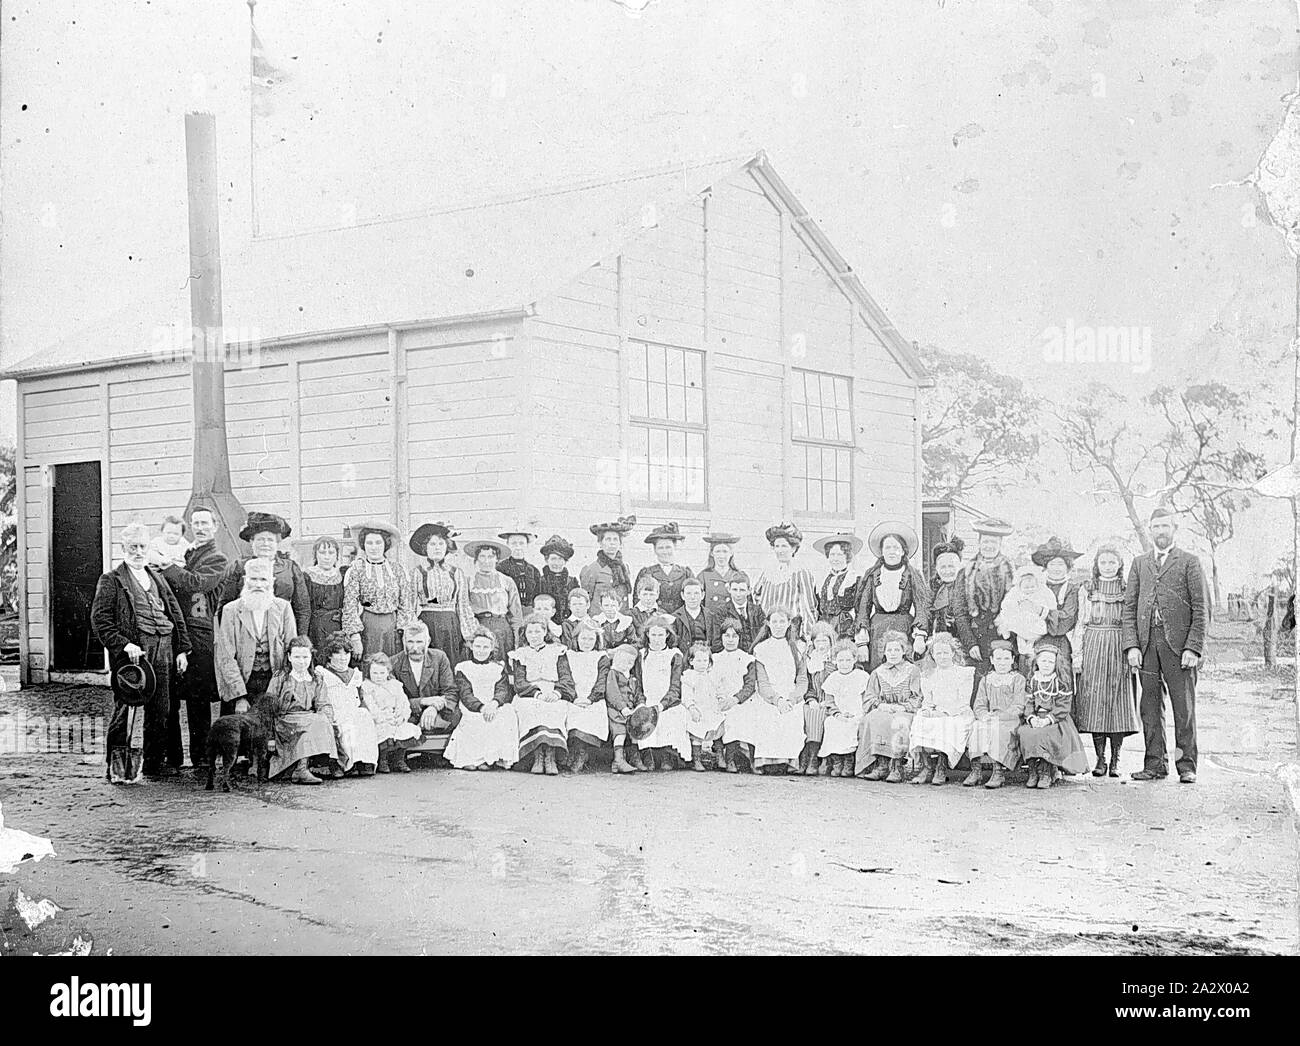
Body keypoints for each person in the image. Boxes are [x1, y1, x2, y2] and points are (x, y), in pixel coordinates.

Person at [90, 521, 192, 782]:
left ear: (149, 548)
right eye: (132, 546)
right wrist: (125, 645)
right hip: (133, 653)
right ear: (123, 548)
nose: (137, 551)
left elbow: (175, 614)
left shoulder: (157, 577)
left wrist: (181, 649)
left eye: (142, 546)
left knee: (162, 709)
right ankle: (118, 769)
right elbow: (100, 621)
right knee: (125, 712)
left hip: (165, 648)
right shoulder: (111, 580)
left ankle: (154, 765)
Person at [1122, 506, 1207, 784]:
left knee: (1184, 709)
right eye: (1156, 526)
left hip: (1179, 648)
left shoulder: (1189, 562)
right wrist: (1132, 646)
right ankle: (1155, 764)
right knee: (1149, 706)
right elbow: (1130, 608)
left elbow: (1200, 608)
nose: (1161, 531)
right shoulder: (1139, 563)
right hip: (1147, 646)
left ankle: (1187, 766)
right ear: (1150, 529)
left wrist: (1193, 648)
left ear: (1174, 529)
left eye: (1165, 526)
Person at [157, 504, 228, 771]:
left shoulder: (217, 558)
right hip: (175, 631)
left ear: (215, 527)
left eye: (204, 524)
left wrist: (167, 568)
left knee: (198, 700)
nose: (200, 528)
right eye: (195, 523)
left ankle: (201, 757)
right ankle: (172, 756)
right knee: (171, 696)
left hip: (198, 634)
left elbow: (196, 584)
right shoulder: (186, 552)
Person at [1075, 545, 1140, 778]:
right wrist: (1078, 655)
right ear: (1097, 564)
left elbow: (1132, 621)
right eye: (1103, 562)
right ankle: (1100, 759)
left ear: (1120, 565)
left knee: (1118, 702)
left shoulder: (1128, 588)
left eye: (1112, 562)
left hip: (1119, 645)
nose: (1108, 567)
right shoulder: (1087, 588)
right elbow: (1080, 623)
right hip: (1094, 643)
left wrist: (1134, 651)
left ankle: (1116, 760)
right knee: (1095, 701)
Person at [213, 557, 296, 716]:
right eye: (253, 579)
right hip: (242, 681)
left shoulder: (283, 607)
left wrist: (281, 689)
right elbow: (225, 656)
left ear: (271, 582)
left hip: (274, 680)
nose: (258, 584)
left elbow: (290, 649)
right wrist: (240, 697)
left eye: (263, 579)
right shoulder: (231, 610)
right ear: (245, 580)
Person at [730, 607, 808, 774]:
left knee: (793, 714)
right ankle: (764, 760)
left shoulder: (798, 647)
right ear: (768, 623)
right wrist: (777, 700)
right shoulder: (762, 648)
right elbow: (763, 682)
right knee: (766, 714)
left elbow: (802, 680)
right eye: (774, 622)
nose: (778, 625)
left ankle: (788, 761)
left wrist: (792, 699)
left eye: (782, 622)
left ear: (789, 624)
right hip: (768, 696)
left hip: (791, 695)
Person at [262, 636, 339, 784]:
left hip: (309, 718)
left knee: (320, 720)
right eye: (297, 657)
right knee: (313, 722)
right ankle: (300, 769)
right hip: (286, 721)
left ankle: (308, 766)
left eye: (305, 657)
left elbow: (324, 704)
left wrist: (325, 717)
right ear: (289, 657)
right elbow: (268, 706)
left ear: (311, 657)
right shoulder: (281, 678)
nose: (301, 661)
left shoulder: (316, 678)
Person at [218, 512, 311, 636]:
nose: (265, 544)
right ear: (252, 542)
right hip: (247, 634)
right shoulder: (239, 567)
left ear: (277, 543)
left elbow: (302, 609)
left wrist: (298, 642)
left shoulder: (290, 568)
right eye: (260, 539)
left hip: (283, 632)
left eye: (270, 540)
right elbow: (226, 605)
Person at [854, 522, 930, 671]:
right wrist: (862, 643)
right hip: (877, 630)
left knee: (904, 669)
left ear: (903, 551)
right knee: (878, 670)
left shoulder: (912, 574)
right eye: (888, 547)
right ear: (882, 551)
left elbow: (922, 606)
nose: (892, 551)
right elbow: (863, 609)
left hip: (904, 627)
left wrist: (919, 637)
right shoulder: (872, 575)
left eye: (896, 547)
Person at [509, 613, 577, 774]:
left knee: (554, 709)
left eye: (538, 632)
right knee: (530, 709)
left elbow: (566, 677)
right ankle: (538, 756)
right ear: (524, 634)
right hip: (529, 693)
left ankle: (550, 756)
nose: (534, 636)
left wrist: (557, 693)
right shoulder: (520, 654)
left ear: (545, 632)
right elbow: (520, 682)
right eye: (530, 632)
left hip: (553, 690)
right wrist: (537, 694)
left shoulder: (557, 651)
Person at [953, 517, 1015, 691]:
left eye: (993, 542)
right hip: (975, 637)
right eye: (985, 541)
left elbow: (1017, 606)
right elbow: (959, 612)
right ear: (979, 543)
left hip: (1002, 636)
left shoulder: (1011, 571)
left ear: (1000, 544)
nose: (989, 546)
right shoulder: (965, 573)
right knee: (977, 686)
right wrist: (970, 643)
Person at [1017, 643, 1090, 789]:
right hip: (1037, 717)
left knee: (1047, 734)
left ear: (1056, 663)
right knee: (1025, 732)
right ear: (1036, 661)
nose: (1046, 665)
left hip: (1056, 719)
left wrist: (1047, 720)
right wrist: (1031, 717)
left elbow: (1063, 707)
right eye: (1043, 661)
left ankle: (1046, 771)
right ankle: (1032, 771)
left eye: (1050, 662)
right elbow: (1029, 702)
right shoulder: (1033, 679)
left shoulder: (1060, 681)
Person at [406, 521, 477, 669]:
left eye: (440, 544)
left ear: (447, 547)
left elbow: (463, 606)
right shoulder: (417, 573)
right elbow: (409, 605)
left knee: (451, 663)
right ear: (425, 548)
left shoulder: (457, 573)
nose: (437, 548)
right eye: (432, 544)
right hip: (427, 624)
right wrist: (414, 631)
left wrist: (470, 634)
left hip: (451, 625)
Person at [445, 629, 519, 771]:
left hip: (493, 704)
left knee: (506, 715)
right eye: (478, 646)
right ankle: (471, 759)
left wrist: (494, 703)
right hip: (473, 706)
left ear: (491, 648)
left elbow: (502, 689)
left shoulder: (497, 667)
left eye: (485, 647)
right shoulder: (463, 667)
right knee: (475, 720)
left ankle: (489, 759)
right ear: (471, 646)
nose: (481, 650)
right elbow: (466, 693)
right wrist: (481, 707)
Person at [855, 630, 923, 783]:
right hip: (884, 708)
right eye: (889, 650)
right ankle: (881, 764)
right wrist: (880, 705)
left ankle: (896, 765)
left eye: (897, 650)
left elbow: (918, 697)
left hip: (905, 710)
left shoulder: (912, 671)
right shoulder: (878, 672)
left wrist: (903, 707)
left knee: (899, 721)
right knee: (873, 718)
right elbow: (870, 696)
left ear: (904, 651)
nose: (893, 653)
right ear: (884, 652)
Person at [909, 632, 976, 786]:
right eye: (938, 653)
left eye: (946, 652)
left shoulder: (963, 673)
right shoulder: (929, 675)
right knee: (920, 720)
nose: (942, 656)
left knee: (946, 724)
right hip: (936, 711)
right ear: (932, 654)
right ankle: (927, 767)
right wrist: (927, 710)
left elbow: (963, 701)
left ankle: (941, 766)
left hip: (958, 713)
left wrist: (944, 712)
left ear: (953, 653)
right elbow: (928, 700)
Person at [342, 520, 413, 660]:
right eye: (369, 543)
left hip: (393, 627)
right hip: (368, 626)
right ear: (363, 545)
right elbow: (349, 605)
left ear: (385, 544)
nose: (374, 547)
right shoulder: (357, 569)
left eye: (378, 543)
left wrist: (405, 632)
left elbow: (406, 603)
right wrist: (355, 637)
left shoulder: (397, 569)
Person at [314, 632, 380, 776]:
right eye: (338, 654)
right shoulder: (323, 673)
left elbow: (360, 698)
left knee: (363, 716)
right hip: (334, 712)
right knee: (346, 725)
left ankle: (364, 761)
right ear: (330, 655)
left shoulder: (355, 674)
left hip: (352, 710)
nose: (343, 658)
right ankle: (347, 763)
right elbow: (320, 699)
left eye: (346, 653)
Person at [391, 621, 460, 757]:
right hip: (408, 713)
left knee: (456, 715)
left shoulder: (439, 658)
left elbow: (451, 691)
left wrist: (433, 708)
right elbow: (393, 701)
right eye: (410, 642)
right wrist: (424, 701)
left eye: (419, 642)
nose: (415, 648)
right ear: (403, 641)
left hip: (438, 712)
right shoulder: (394, 663)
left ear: (428, 641)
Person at [965, 640, 1025, 788]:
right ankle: (976, 770)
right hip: (990, 717)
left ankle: (998, 771)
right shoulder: (986, 680)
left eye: (1006, 658)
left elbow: (1019, 705)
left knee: (1000, 731)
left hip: (1009, 719)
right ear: (992, 660)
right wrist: (984, 715)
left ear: (1012, 660)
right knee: (977, 727)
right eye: (998, 659)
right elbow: (979, 704)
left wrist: (1001, 716)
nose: (1002, 662)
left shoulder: (1018, 679)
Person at [634, 614, 691, 770]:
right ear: (647, 634)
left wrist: (662, 705)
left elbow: (675, 687)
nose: (657, 639)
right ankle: (649, 754)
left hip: (668, 702)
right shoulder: (641, 655)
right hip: (647, 700)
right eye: (653, 634)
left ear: (667, 635)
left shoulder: (674, 655)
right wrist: (641, 703)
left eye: (661, 635)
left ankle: (667, 754)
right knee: (642, 716)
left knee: (673, 715)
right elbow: (638, 683)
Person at [751, 522, 818, 640]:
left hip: (791, 632)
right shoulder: (768, 572)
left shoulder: (800, 572)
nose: (780, 550)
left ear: (793, 548)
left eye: (784, 546)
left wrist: (807, 635)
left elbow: (808, 609)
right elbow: (756, 595)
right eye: (777, 546)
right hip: (768, 631)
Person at [360, 652, 421, 773]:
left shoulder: (395, 685)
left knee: (406, 731)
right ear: (369, 673)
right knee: (384, 733)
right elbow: (371, 706)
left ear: (388, 672)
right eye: (375, 673)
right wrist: (383, 718)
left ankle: (399, 759)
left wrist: (401, 716)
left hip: (395, 718)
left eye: (382, 673)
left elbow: (403, 703)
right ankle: (383, 760)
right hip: (379, 720)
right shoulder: (368, 687)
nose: (378, 676)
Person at [563, 620, 611, 772]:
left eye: (591, 639)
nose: (586, 642)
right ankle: (574, 751)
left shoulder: (601, 657)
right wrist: (574, 697)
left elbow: (601, 681)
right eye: (583, 638)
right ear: (576, 638)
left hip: (593, 699)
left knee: (592, 714)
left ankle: (582, 753)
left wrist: (590, 699)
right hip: (573, 697)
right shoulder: (569, 655)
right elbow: (566, 678)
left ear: (597, 640)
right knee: (570, 712)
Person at [818, 640, 870, 778]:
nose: (845, 664)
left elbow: (866, 699)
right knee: (831, 724)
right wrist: (837, 714)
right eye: (841, 660)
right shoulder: (832, 678)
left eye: (848, 660)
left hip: (857, 713)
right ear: (835, 661)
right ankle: (837, 761)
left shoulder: (862, 677)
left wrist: (859, 713)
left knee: (852, 725)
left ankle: (848, 761)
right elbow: (829, 702)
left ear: (854, 659)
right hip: (839, 714)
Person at [1032, 537, 1082, 679]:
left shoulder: (1072, 589)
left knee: (1060, 682)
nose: (1056, 568)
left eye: (1060, 564)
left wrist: (1042, 612)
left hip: (1059, 642)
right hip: (1034, 641)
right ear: (1046, 566)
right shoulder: (1034, 586)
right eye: (1052, 564)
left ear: (1068, 566)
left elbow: (1067, 618)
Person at [466, 538, 524, 659]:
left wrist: (517, 639)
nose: (486, 561)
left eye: (491, 557)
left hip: (502, 628)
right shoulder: (469, 581)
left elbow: (516, 614)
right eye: (482, 556)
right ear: (476, 559)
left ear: (497, 558)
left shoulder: (507, 581)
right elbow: (464, 609)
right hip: (479, 627)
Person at [995, 564, 1054, 675]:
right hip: (1021, 622)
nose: (1029, 590)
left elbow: (1048, 607)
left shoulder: (1041, 594)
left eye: (1032, 587)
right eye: (1026, 588)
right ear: (1020, 586)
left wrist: (1038, 610)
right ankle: (1023, 651)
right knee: (1020, 637)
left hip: (1035, 622)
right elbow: (1007, 606)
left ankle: (1030, 651)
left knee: (1034, 638)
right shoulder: (1015, 594)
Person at [681, 642, 727, 771]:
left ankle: (719, 756)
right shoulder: (689, 676)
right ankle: (696, 759)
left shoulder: (712, 675)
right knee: (697, 732)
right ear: (691, 661)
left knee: (718, 727)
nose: (702, 663)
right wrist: (691, 708)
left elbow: (719, 690)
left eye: (705, 660)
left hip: (712, 708)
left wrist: (721, 699)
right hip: (697, 709)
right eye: (699, 660)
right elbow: (686, 696)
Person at [801, 622, 837, 775]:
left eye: (824, 641)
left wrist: (826, 701)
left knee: (819, 715)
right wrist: (811, 699)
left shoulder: (836, 660)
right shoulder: (810, 660)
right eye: (818, 641)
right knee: (807, 711)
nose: (821, 645)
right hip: (814, 699)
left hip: (831, 702)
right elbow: (807, 684)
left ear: (831, 641)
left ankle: (814, 758)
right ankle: (807, 756)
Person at [634, 522, 694, 614]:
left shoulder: (686, 573)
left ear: (675, 547)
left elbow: (694, 601)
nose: (665, 552)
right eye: (661, 548)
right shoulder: (646, 573)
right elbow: (638, 605)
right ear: (654, 550)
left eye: (668, 547)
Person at [580, 516, 637, 610]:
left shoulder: (624, 567)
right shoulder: (592, 569)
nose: (612, 543)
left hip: (621, 619)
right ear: (600, 543)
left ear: (620, 543)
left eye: (615, 539)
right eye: (608, 539)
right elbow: (587, 599)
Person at [812, 532, 862, 640]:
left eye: (840, 555)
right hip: (824, 626)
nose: (835, 559)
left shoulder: (854, 578)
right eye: (832, 555)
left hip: (845, 627)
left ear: (847, 556)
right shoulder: (823, 579)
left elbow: (860, 610)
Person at [604, 643, 643, 773]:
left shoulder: (632, 678)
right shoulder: (613, 673)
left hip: (630, 710)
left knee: (635, 732)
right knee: (620, 732)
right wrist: (622, 708)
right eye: (623, 660)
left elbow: (638, 693)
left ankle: (635, 757)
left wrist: (640, 705)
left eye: (630, 662)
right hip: (617, 710)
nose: (626, 664)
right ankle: (618, 760)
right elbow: (612, 692)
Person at [304, 536, 347, 655]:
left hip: (337, 627)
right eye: (322, 552)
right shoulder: (307, 576)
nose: (327, 557)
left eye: (331, 552)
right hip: (315, 629)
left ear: (337, 555)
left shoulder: (343, 575)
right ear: (315, 555)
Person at [709, 575, 766, 653]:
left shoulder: (757, 611)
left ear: (749, 590)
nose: (738, 594)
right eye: (735, 589)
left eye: (742, 590)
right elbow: (716, 642)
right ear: (729, 589)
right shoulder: (721, 612)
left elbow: (764, 636)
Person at [698, 534, 747, 617]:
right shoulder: (703, 576)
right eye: (718, 551)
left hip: (733, 624)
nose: (721, 556)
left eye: (725, 551)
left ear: (731, 553)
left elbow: (747, 606)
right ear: (711, 553)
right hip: (711, 623)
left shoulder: (739, 576)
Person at [497, 527, 543, 611]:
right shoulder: (500, 568)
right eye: (514, 543)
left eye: (521, 543)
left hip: (529, 612)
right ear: (507, 545)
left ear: (527, 545)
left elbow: (538, 596)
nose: (518, 547)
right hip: (508, 612)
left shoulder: (533, 570)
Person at [927, 537, 965, 637]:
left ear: (959, 565)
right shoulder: (933, 587)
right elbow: (925, 612)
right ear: (936, 568)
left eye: (951, 566)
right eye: (943, 567)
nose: (948, 571)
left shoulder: (967, 586)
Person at [538, 535, 581, 623]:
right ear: (547, 560)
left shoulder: (572, 582)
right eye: (553, 559)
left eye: (560, 559)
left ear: (565, 561)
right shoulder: (541, 581)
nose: (557, 563)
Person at [672, 577, 712, 658]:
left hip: (705, 660)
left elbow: (715, 642)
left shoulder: (710, 616)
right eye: (689, 593)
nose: (692, 597)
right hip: (684, 659)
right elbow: (673, 644)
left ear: (703, 595)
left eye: (696, 593)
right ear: (682, 595)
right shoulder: (675, 617)